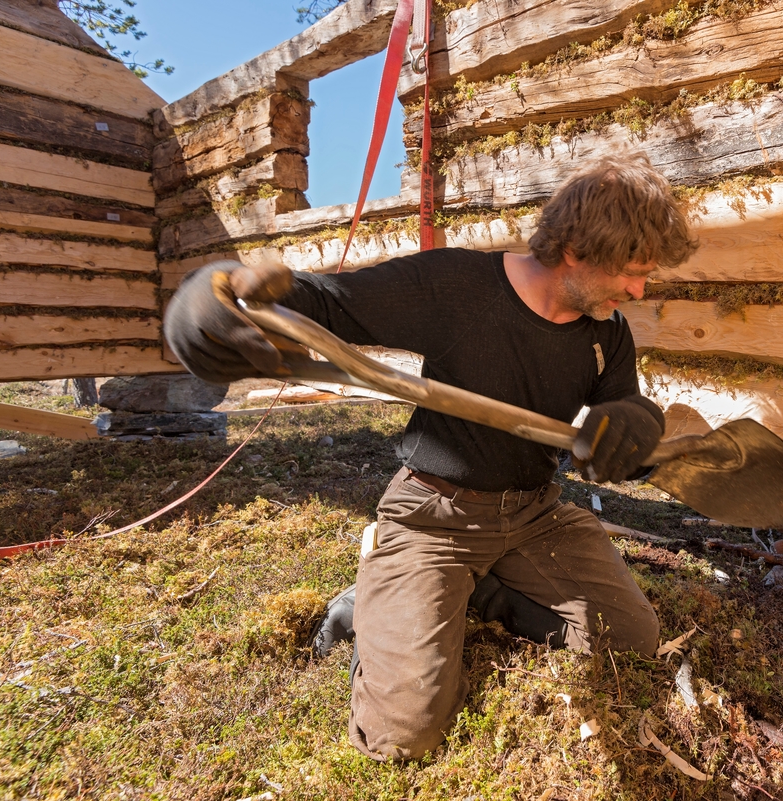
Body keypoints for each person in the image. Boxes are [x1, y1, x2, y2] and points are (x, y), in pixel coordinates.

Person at [163, 153, 699, 760]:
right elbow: (326, 302)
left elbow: (624, 407)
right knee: (404, 734)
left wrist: (637, 421)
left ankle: (480, 593)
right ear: (575, 250)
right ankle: (375, 599)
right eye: (631, 272)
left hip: (535, 516)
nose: (638, 290)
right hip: (433, 516)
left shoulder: (608, 331)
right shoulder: (456, 286)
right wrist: (211, 296)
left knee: (630, 637)